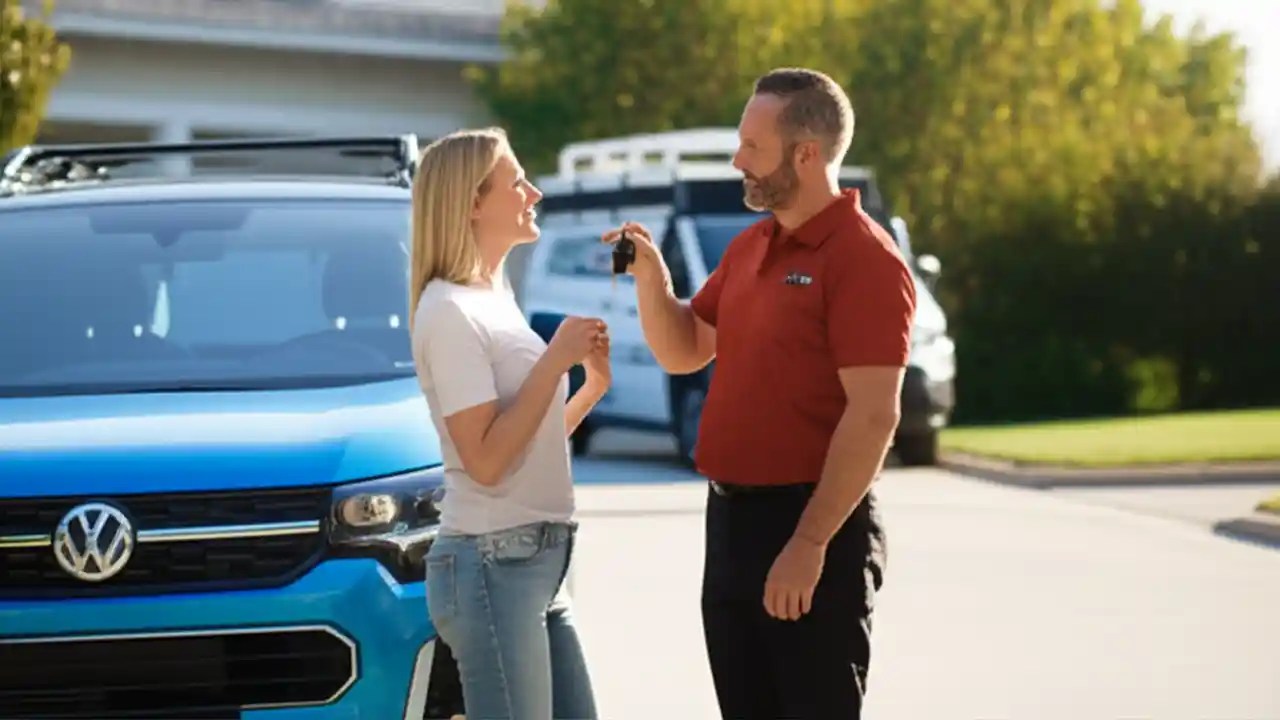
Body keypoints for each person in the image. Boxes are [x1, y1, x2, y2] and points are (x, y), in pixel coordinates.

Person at [603, 68, 917, 719]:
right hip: (731, 527)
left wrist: (807, 546)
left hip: (810, 530)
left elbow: (874, 415)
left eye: (753, 146)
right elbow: (684, 347)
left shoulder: (865, 260)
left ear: (805, 154)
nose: (737, 160)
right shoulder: (752, 246)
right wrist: (654, 280)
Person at [410, 127, 606, 720]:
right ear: (472, 201)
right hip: (493, 564)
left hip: (537, 563)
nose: (534, 192)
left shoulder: (492, 297)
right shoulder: (447, 311)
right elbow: (488, 461)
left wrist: (592, 385)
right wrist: (554, 360)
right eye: (516, 180)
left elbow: (524, 442)